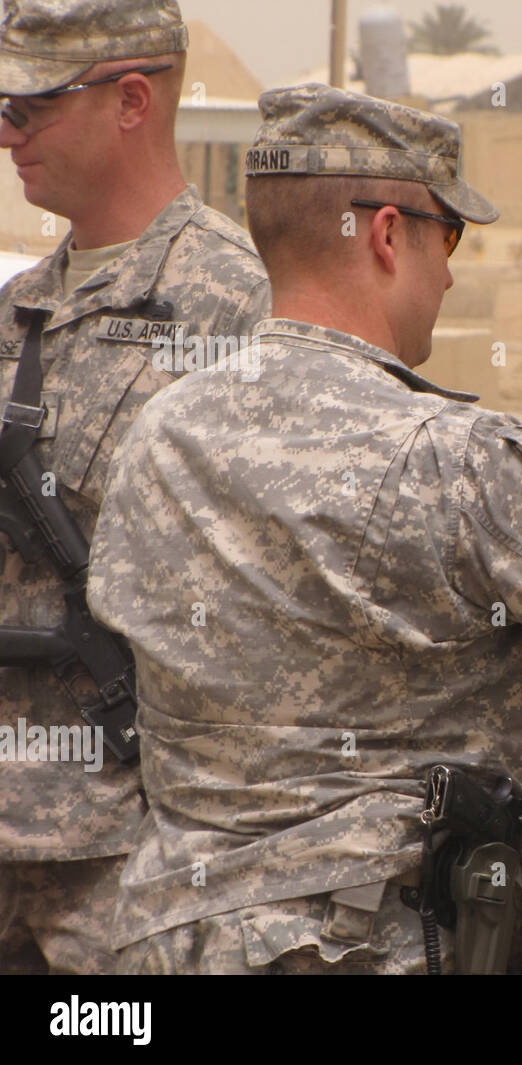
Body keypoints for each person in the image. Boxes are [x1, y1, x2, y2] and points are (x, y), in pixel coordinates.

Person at [86, 83, 522, 974]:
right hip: (359, 943)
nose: (450, 272)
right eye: (447, 236)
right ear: (385, 235)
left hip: (162, 944)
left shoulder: (160, 433)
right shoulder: (450, 456)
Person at [0, 0, 269, 974]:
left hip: (136, 853)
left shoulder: (241, 304)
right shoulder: (19, 310)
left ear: (131, 100)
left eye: (30, 104)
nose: (6, 131)